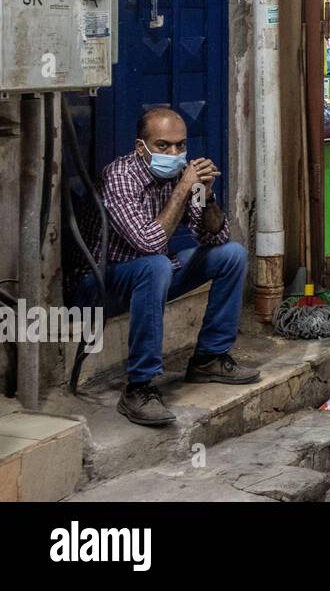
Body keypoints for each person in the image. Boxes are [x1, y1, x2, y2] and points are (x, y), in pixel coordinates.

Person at [72, 107, 258, 428]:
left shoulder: (182, 173)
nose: (174, 154)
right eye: (163, 145)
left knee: (232, 254)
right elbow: (148, 242)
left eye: (180, 145)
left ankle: (209, 358)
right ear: (140, 147)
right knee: (156, 265)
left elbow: (215, 236)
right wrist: (183, 190)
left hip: (153, 275)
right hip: (100, 284)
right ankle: (139, 387)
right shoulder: (120, 177)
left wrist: (206, 197)